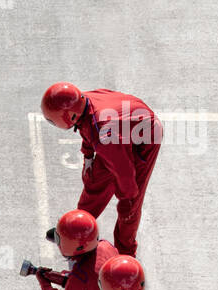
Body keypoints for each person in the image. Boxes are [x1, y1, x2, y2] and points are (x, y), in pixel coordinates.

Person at [40, 83, 162, 255]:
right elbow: (86, 124)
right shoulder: (80, 101)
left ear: (69, 116)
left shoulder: (103, 135)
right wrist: (88, 155)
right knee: (95, 183)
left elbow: (124, 170)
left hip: (145, 138)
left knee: (131, 206)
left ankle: (125, 254)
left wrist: (127, 198)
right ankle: (74, 230)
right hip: (124, 126)